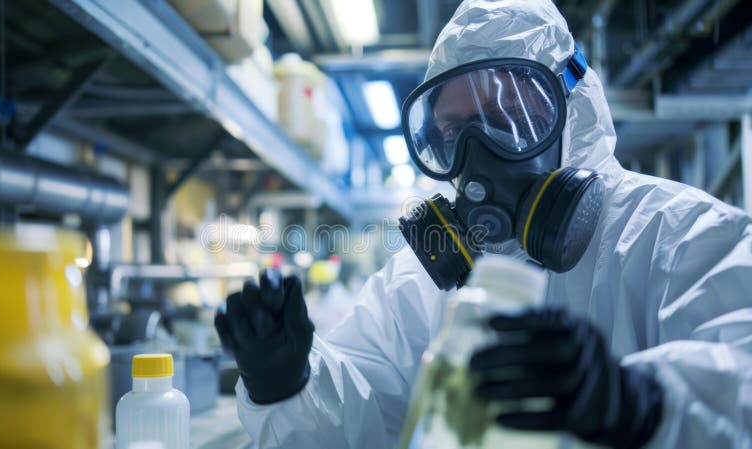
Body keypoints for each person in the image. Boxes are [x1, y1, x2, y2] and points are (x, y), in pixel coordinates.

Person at [214, 1, 752, 448]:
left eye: (507, 122)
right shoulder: (418, 286)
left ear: (573, 109)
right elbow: (362, 421)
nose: (478, 158)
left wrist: (640, 400)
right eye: (454, 133)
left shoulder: (681, 235)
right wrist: (285, 383)